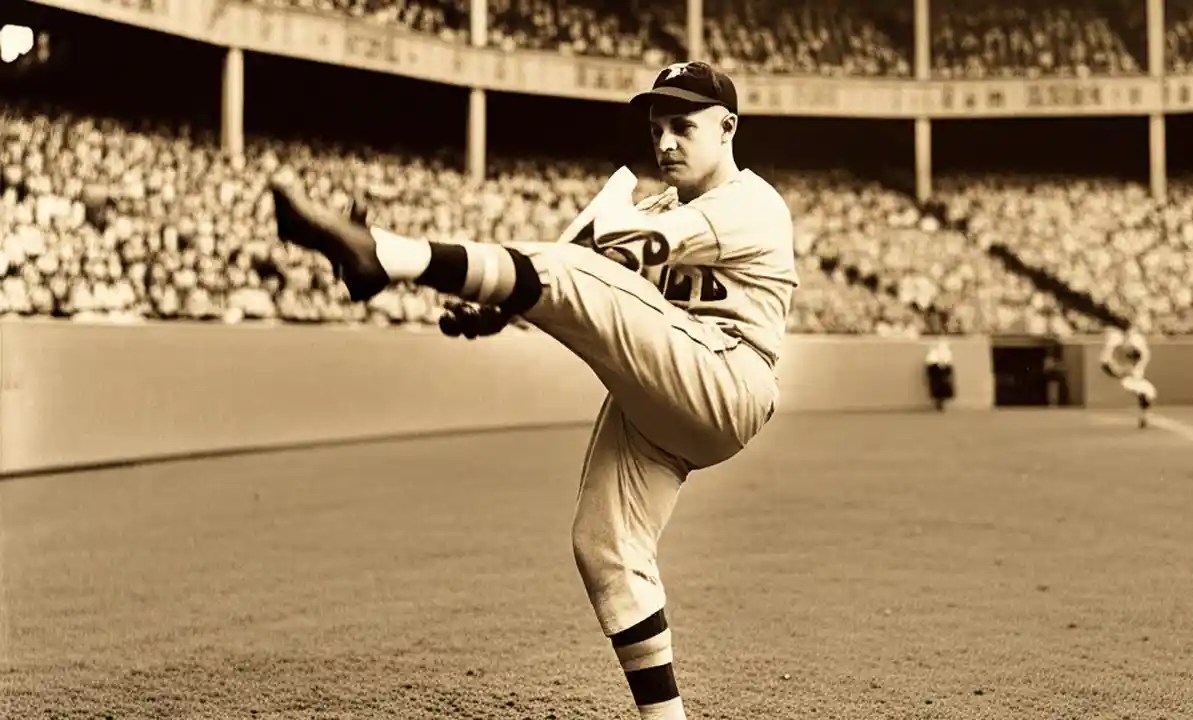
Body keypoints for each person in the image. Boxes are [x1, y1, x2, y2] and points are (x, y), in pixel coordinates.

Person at [268, 61, 798, 720]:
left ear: (727, 128)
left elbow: (608, 259)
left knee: (568, 267)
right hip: (664, 394)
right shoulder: (659, 204)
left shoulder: (751, 202)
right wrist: (506, 304)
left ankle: (383, 255)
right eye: (657, 127)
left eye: (683, 126)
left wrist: (515, 280)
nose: (664, 142)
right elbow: (595, 270)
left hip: (727, 378)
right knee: (606, 546)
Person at [1100, 323, 1157, 428]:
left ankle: (1143, 415)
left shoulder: (1137, 340)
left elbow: (1140, 356)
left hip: (1132, 371)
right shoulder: (1115, 340)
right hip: (1125, 372)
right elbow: (1105, 362)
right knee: (1143, 391)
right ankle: (1143, 415)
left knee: (1147, 392)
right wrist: (1118, 370)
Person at [924, 338, 955, 411]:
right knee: (938, 387)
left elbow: (948, 364)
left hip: (942, 372)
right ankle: (939, 402)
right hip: (936, 372)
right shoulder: (933, 353)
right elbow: (930, 364)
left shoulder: (946, 353)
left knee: (942, 387)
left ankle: (940, 402)